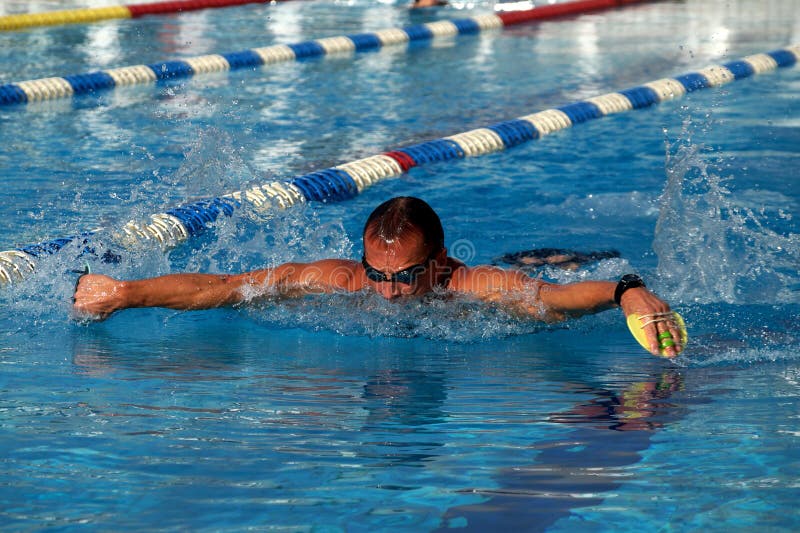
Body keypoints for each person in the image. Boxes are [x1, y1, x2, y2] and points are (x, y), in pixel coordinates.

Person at [73, 196, 684, 357]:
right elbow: (228, 286)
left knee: (543, 266)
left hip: (547, 271)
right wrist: (125, 294)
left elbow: (554, 302)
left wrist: (628, 290)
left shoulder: (467, 288)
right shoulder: (343, 281)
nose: (389, 293)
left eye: (407, 277)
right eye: (379, 275)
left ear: (439, 262)